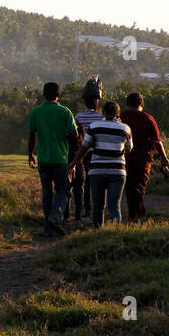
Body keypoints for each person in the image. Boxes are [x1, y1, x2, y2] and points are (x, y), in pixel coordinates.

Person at [68, 101, 132, 227]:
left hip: (97, 171)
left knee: (98, 205)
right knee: (114, 205)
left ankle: (97, 230)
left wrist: (73, 165)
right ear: (118, 114)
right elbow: (129, 149)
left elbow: (84, 148)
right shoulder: (125, 128)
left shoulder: (94, 126)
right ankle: (115, 232)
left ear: (103, 112)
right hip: (118, 171)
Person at [28, 82, 77, 237]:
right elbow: (73, 135)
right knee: (64, 190)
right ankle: (55, 217)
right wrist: (72, 156)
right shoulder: (65, 112)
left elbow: (31, 135)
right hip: (60, 158)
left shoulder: (36, 112)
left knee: (46, 193)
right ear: (58, 95)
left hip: (43, 158)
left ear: (43, 94)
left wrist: (30, 154)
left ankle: (48, 229)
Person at [120, 92, 169, 221]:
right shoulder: (148, 118)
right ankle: (136, 216)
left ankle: (136, 214)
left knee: (130, 188)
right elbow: (157, 141)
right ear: (141, 104)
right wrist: (164, 158)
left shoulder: (121, 117)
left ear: (127, 104)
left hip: (123, 158)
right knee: (138, 188)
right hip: (142, 160)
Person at [70, 78, 103, 226]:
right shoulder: (102, 118)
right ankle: (91, 209)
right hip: (96, 154)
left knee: (83, 183)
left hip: (81, 153)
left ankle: (85, 209)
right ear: (97, 101)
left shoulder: (78, 116)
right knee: (93, 182)